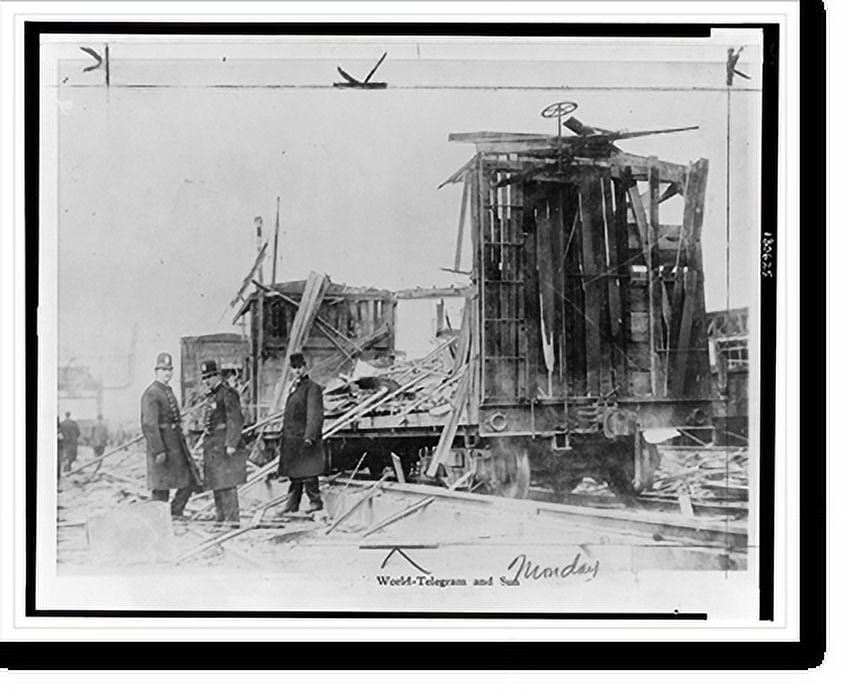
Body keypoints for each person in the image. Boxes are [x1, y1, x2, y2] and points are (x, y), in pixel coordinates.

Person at [140, 352, 200, 517]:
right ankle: (159, 521)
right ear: (156, 371)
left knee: (189, 480)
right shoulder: (152, 393)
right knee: (161, 488)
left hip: (175, 445)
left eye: (169, 369)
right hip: (163, 447)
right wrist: (158, 450)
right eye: (163, 369)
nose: (167, 373)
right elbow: (149, 425)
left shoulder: (167, 391)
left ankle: (174, 513)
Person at [200, 360, 247, 525]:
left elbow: (235, 419)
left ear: (217, 375)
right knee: (216, 483)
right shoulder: (212, 395)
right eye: (204, 377)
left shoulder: (228, 393)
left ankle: (232, 519)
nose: (206, 381)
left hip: (224, 445)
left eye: (210, 377)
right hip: (213, 446)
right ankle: (220, 518)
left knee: (228, 483)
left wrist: (232, 444)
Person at [277, 352, 325, 513]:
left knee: (309, 472)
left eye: (300, 367)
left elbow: (314, 414)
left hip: (304, 437)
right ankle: (292, 505)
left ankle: (315, 502)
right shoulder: (294, 388)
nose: (297, 371)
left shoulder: (313, 388)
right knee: (295, 473)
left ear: (305, 367)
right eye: (294, 368)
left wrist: (310, 437)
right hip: (292, 438)